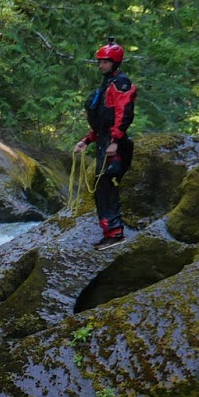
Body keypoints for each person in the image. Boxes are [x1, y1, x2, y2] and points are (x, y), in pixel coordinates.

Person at [72, 41, 137, 248]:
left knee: (107, 184)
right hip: (104, 140)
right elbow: (103, 121)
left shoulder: (121, 83)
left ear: (115, 62)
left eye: (105, 62)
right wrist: (87, 140)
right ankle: (110, 232)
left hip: (114, 144)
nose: (101, 65)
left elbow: (123, 114)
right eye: (100, 62)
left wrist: (115, 141)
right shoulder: (107, 84)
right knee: (102, 187)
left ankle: (115, 233)